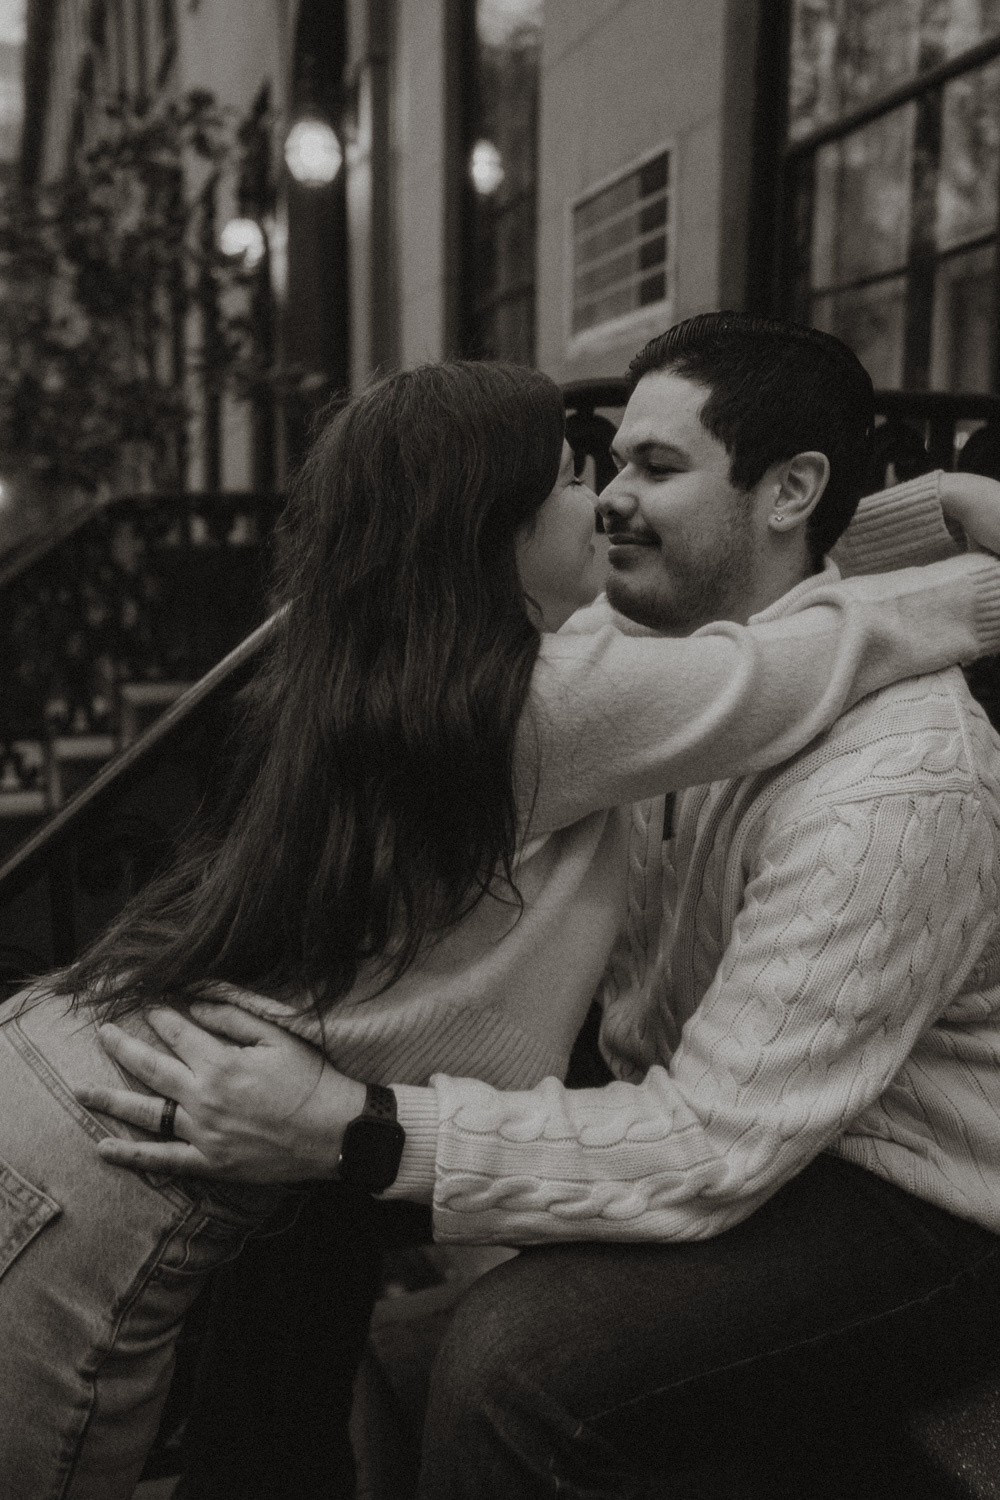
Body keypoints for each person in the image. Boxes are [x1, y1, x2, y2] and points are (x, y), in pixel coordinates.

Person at [6, 355, 1000, 1499]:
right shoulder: (563, 687)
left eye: (645, 465)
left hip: (906, 1187)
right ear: (493, 534)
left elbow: (774, 590)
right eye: (587, 472)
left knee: (488, 1342)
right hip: (89, 1174)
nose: (609, 498)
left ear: (789, 490)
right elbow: (804, 628)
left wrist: (360, 1131)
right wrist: (970, 565)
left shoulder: (440, 665)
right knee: (310, 1207)